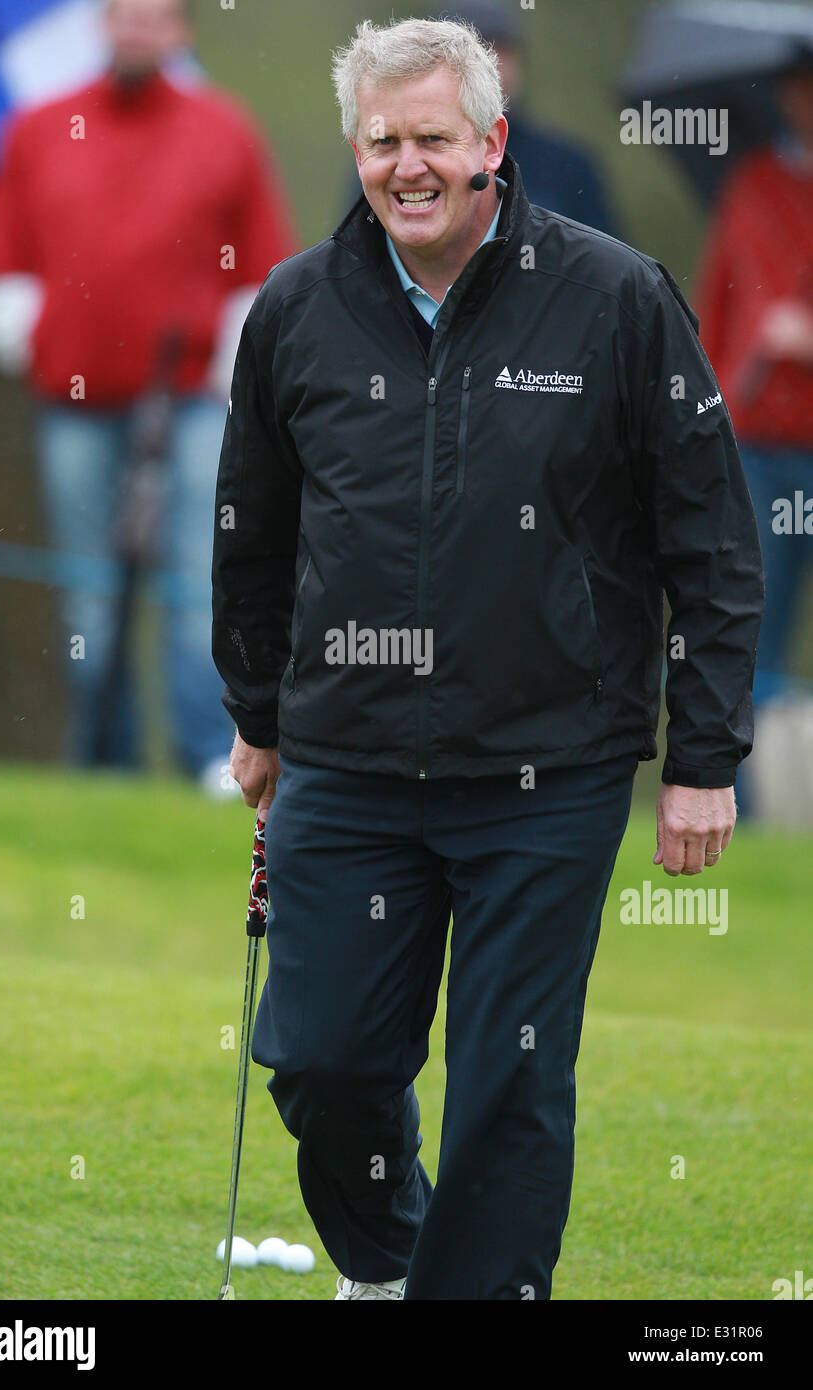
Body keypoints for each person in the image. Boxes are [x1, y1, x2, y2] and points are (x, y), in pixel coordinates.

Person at [212, 17, 763, 1300]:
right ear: (356, 149)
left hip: (548, 769)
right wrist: (257, 710)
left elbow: (713, 543)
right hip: (343, 762)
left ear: (491, 144)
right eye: (382, 142)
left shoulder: (617, 299)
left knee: (509, 1078)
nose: (407, 167)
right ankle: (386, 1264)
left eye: (433, 141)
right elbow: (249, 532)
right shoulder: (293, 309)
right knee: (325, 1061)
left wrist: (704, 756)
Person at [0, 0, 298, 785]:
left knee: (195, 587)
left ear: (181, 31)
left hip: (191, 405)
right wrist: (45, 344)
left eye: (155, 17)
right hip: (73, 407)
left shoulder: (225, 129)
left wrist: (227, 375)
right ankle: (102, 769)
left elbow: (261, 270)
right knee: (85, 598)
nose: (137, 29)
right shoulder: (40, 128)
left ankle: (212, 764)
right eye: (123, 15)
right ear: (101, 26)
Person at [695, 57, 813, 723]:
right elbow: (715, 312)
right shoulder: (751, 185)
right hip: (753, 448)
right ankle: (741, 797)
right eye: (795, 88)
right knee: (746, 625)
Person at [340, 1, 619, 236]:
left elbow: (601, 263)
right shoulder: (388, 166)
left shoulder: (568, 163)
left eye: (500, 48)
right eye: (477, 49)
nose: (490, 62)